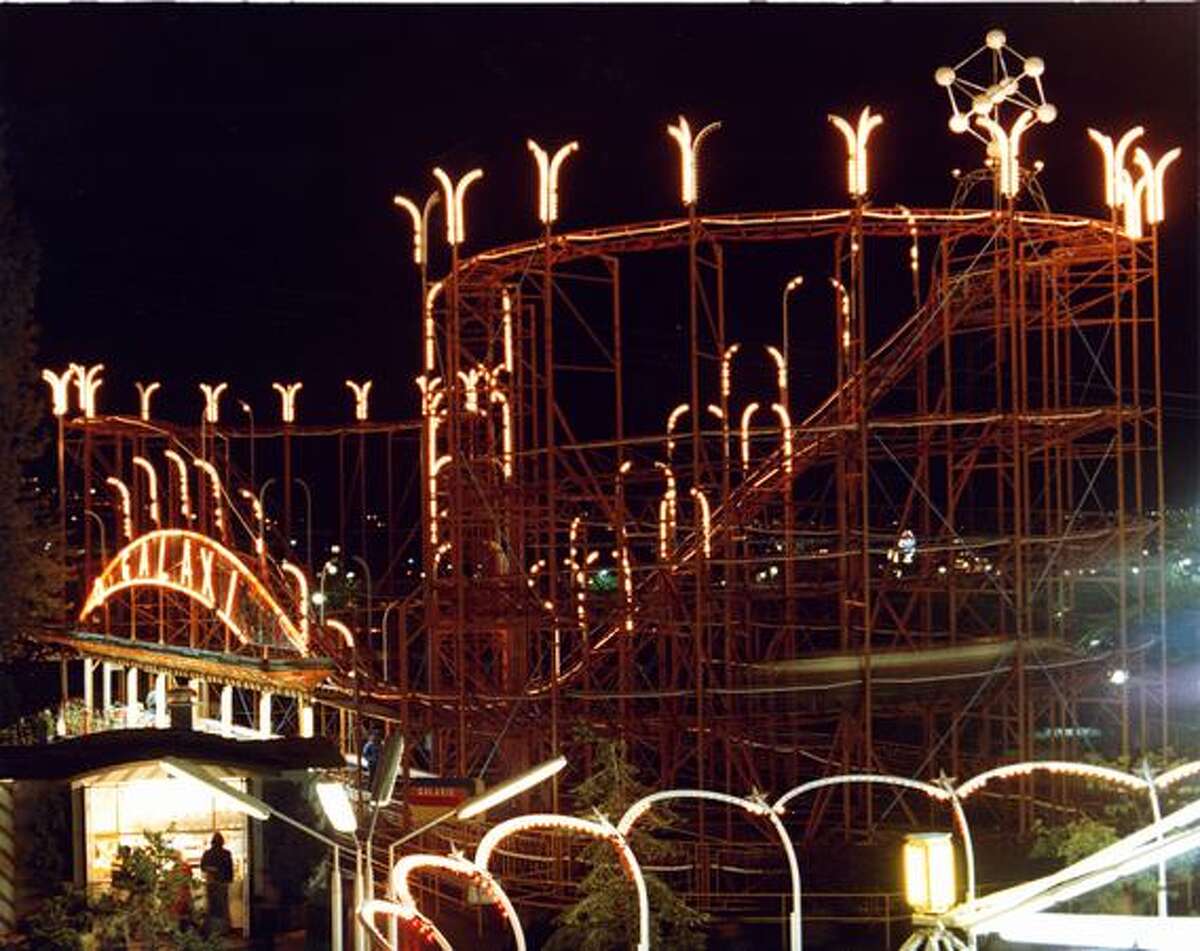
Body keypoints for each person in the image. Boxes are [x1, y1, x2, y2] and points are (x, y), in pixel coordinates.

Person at [200, 831, 234, 936]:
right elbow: (229, 869)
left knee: (212, 907)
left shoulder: (207, 853)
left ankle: (211, 929)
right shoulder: (226, 853)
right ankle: (223, 929)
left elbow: (202, 867)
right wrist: (228, 879)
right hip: (223, 883)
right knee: (223, 907)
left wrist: (212, 870)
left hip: (211, 882)